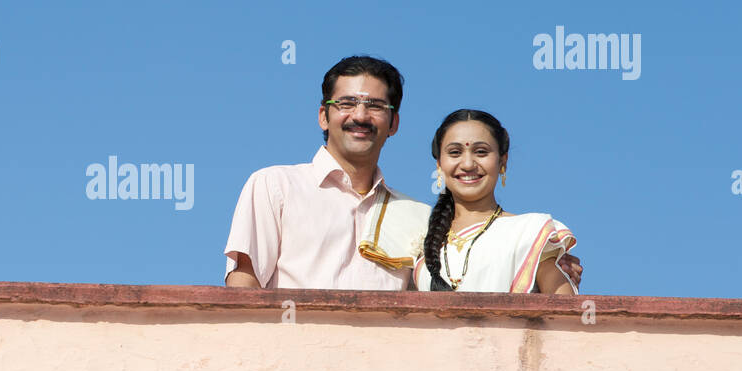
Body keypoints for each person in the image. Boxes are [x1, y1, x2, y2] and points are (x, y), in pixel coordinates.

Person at [224, 56, 583, 289]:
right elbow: (244, 285)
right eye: (346, 103)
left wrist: (543, 261)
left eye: (375, 106)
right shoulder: (275, 186)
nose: (360, 116)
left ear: (394, 123)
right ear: (323, 115)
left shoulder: (417, 216)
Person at [413, 109, 577, 294]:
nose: (468, 164)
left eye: (481, 152)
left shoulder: (530, 233)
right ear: (439, 164)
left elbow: (564, 309)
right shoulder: (420, 243)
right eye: (455, 152)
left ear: (503, 161)